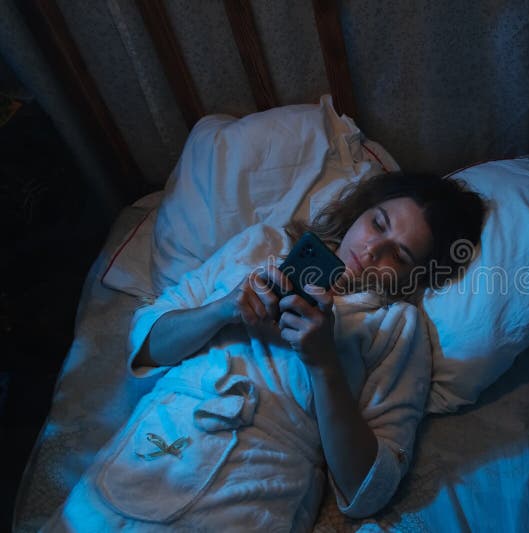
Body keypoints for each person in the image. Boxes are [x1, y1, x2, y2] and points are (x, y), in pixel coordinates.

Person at [44, 172, 486, 531]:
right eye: (378, 223)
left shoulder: (398, 328)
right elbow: (148, 344)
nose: (371, 251)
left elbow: (371, 488)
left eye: (398, 256)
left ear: (414, 277)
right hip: (159, 444)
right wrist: (222, 310)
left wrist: (324, 364)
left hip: (255, 488)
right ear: (361, 211)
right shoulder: (262, 244)